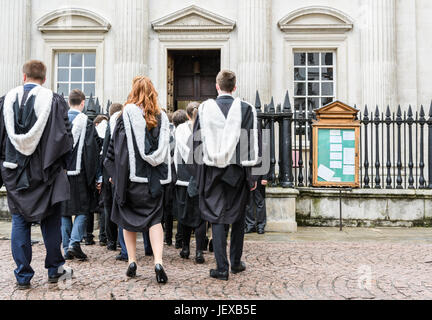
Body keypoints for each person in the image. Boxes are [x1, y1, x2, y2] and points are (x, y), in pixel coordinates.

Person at [0, 60, 74, 289]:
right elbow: (64, 137)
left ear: (24, 77)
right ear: (44, 78)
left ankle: (23, 276)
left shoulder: (6, 100)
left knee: (19, 222)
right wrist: (61, 165)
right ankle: (55, 270)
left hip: (15, 173)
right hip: (45, 173)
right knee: (51, 222)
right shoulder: (53, 100)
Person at [193, 70, 259, 281]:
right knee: (237, 215)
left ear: (217, 86)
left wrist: (198, 175)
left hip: (212, 170)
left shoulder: (204, 109)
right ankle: (236, 262)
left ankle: (222, 267)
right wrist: (253, 177)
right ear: (235, 87)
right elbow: (254, 142)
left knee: (217, 216)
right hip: (238, 170)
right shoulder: (247, 109)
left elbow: (196, 143)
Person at [104, 76, 169, 283]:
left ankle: (132, 260)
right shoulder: (160, 117)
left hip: (130, 180)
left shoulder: (124, 117)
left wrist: (115, 175)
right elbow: (167, 151)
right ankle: (158, 261)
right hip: (153, 180)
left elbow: (115, 150)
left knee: (128, 220)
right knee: (155, 220)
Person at [61, 89, 101, 261]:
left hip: (61, 174)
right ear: (83, 103)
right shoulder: (87, 123)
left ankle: (65, 246)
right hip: (80, 174)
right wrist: (95, 176)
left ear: (69, 102)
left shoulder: (60, 120)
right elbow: (92, 152)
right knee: (83, 210)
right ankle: (74, 243)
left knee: (64, 211)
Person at [173, 108, 206, 264]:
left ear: (187, 114)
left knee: (184, 215)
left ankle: (186, 248)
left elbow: (180, 151)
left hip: (185, 174)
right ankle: (199, 251)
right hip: (199, 175)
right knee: (199, 216)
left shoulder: (180, 129)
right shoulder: (205, 128)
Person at [101, 103, 123, 251]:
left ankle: (111, 241)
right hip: (117, 172)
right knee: (119, 207)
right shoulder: (119, 123)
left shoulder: (110, 124)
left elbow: (105, 151)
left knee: (109, 207)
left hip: (108, 171)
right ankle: (121, 243)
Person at [94, 114, 109, 246]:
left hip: (100, 173)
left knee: (104, 206)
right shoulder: (107, 131)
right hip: (107, 173)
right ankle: (105, 235)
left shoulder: (97, 134)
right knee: (106, 206)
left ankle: (103, 236)